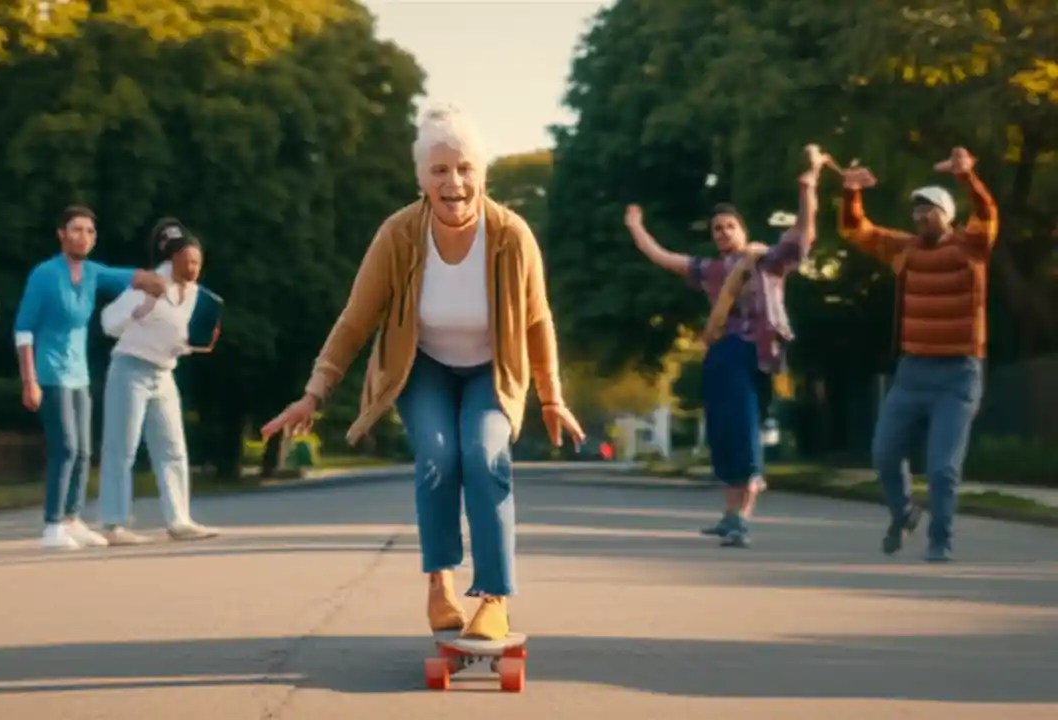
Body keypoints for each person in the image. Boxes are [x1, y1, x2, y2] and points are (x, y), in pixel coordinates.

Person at [260, 104, 585, 641]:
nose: (453, 183)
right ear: (421, 179)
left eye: (464, 169)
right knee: (438, 457)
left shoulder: (511, 234)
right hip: (424, 366)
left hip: (492, 369)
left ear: (482, 174)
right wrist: (314, 394)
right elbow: (356, 319)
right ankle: (440, 585)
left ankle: (495, 597)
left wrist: (553, 398)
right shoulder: (399, 235)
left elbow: (536, 320)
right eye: (439, 171)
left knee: (483, 457)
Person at [624, 144, 828, 548]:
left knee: (743, 431)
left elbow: (804, 236)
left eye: (728, 227)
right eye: (716, 229)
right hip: (720, 353)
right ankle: (730, 514)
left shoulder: (765, 260)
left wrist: (808, 188)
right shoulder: (708, 269)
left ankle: (741, 519)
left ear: (743, 230)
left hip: (754, 352)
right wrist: (635, 226)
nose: (722, 233)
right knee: (722, 433)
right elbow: (663, 257)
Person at [838, 147, 998, 562]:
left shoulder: (972, 248)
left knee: (942, 468)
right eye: (915, 212)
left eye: (928, 210)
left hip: (959, 374)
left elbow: (987, 211)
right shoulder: (904, 250)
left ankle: (940, 541)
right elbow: (856, 230)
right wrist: (850, 193)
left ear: (947, 214)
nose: (920, 218)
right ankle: (904, 512)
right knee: (884, 455)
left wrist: (967, 177)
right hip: (913, 372)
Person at [13, 205, 168, 551]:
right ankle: (53, 524)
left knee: (83, 450)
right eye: (76, 230)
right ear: (61, 234)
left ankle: (72, 518)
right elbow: (23, 329)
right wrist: (29, 380)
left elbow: (128, 276)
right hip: (49, 373)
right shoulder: (45, 274)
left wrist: (155, 282)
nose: (83, 236)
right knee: (65, 447)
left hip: (79, 374)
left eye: (89, 231)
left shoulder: (92, 272)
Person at [96, 220, 222, 544]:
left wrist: (197, 345)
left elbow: (178, 339)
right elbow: (109, 322)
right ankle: (114, 524)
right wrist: (140, 308)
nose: (194, 267)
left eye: (198, 261)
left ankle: (179, 520)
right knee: (121, 448)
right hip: (130, 368)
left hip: (164, 371)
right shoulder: (149, 282)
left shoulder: (195, 295)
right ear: (171, 259)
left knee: (173, 449)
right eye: (188, 261)